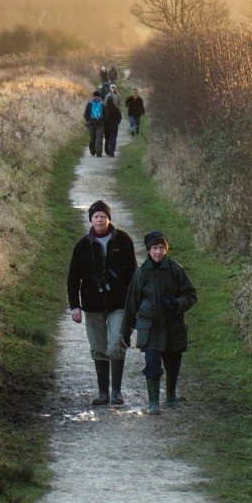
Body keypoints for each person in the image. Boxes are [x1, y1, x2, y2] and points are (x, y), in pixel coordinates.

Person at [67, 200, 138, 405]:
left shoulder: (123, 240)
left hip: (119, 303)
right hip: (92, 305)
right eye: (96, 216)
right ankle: (103, 393)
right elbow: (73, 278)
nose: (100, 220)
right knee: (98, 347)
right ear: (90, 219)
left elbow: (134, 273)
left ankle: (116, 392)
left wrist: (134, 303)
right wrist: (75, 306)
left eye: (103, 216)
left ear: (109, 218)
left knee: (116, 343)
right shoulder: (82, 245)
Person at [123, 231, 197, 415]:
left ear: (166, 249)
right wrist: (127, 329)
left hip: (174, 326)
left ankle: (171, 395)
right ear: (148, 250)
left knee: (173, 363)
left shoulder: (176, 269)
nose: (158, 252)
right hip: (150, 327)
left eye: (161, 248)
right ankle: (153, 402)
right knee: (152, 363)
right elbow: (131, 303)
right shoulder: (141, 273)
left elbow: (191, 295)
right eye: (154, 248)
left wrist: (177, 303)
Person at [84, 91, 106, 157]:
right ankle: (98, 153)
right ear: (100, 96)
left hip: (91, 124)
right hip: (100, 124)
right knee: (99, 138)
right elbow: (106, 115)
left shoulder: (89, 103)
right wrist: (103, 121)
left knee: (92, 138)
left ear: (93, 96)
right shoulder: (103, 104)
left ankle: (92, 151)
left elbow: (85, 114)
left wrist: (88, 120)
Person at [103, 84, 123, 157]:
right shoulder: (115, 108)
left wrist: (103, 124)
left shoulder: (105, 108)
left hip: (107, 126)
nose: (112, 89)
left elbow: (103, 117)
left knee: (107, 138)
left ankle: (107, 151)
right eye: (111, 88)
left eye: (114, 88)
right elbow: (119, 117)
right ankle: (111, 152)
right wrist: (117, 123)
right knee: (113, 139)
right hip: (114, 125)